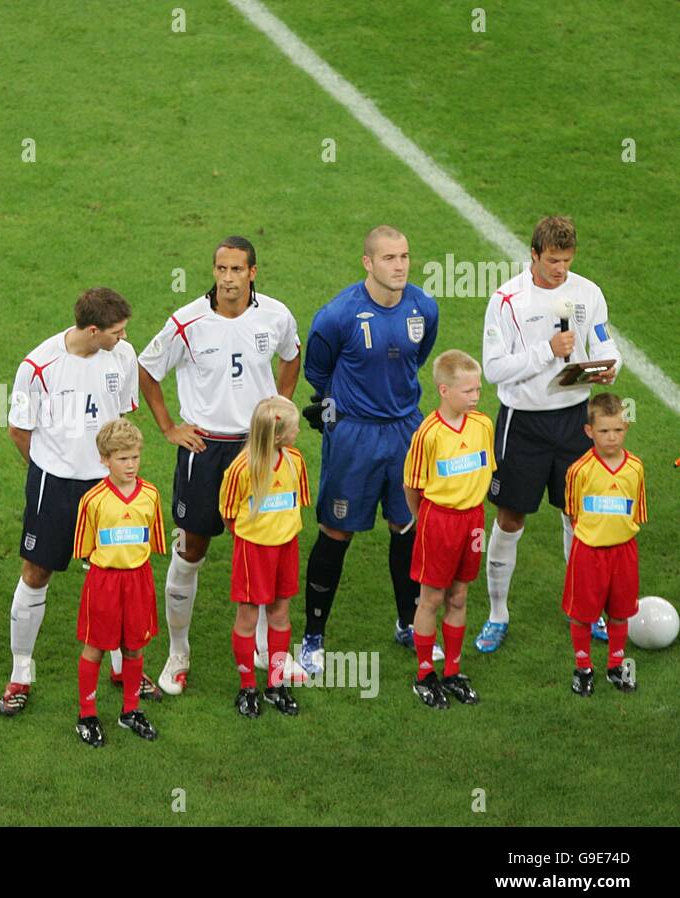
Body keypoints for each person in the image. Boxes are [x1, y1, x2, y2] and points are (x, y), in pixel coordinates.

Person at [138, 236, 304, 696]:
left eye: (236, 270)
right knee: (192, 549)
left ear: (253, 273)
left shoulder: (276, 314)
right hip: (205, 450)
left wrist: (279, 406)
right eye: (220, 269)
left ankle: (271, 653)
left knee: (266, 548)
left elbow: (292, 355)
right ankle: (177, 652)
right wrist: (169, 426)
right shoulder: (187, 322)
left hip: (258, 450)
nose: (227, 278)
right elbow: (147, 369)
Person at [299, 225, 441, 677]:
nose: (399, 266)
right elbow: (317, 374)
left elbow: (415, 358)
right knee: (336, 531)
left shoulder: (423, 306)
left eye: (404, 256)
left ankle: (407, 622)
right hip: (354, 436)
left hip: (404, 431)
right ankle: (313, 637)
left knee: (406, 526)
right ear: (368, 263)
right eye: (389, 258)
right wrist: (345, 412)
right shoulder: (337, 316)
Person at [479, 216, 623, 653]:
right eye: (553, 261)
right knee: (510, 519)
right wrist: (546, 352)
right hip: (522, 422)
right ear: (534, 255)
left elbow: (603, 342)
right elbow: (493, 369)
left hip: (572, 420)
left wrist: (608, 366)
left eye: (567, 260)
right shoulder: (507, 300)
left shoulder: (587, 292)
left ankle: (584, 608)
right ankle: (497, 613)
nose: (560, 269)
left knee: (575, 516)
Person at [0, 287, 139, 716]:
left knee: (116, 573)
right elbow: (19, 431)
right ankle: (21, 672)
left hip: (109, 488)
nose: (124, 337)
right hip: (54, 486)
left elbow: (123, 420)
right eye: (116, 331)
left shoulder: (122, 356)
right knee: (37, 572)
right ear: (92, 330)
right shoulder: (38, 365)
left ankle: (120, 662)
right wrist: (49, 468)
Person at [402, 351, 495, 709]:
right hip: (438, 521)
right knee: (432, 598)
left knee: (459, 595)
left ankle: (453, 672)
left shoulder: (483, 425)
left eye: (478, 389)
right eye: (469, 391)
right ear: (444, 390)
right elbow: (411, 485)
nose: (476, 397)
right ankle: (425, 674)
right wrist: (423, 521)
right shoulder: (428, 434)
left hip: (473, 521)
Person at [72, 418, 165, 746]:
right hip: (105, 581)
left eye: (135, 457)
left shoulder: (151, 495)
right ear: (105, 459)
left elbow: (153, 541)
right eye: (122, 458)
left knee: (134, 645)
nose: (130, 464)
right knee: (95, 646)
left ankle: (131, 710)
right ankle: (87, 714)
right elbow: (84, 549)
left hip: (139, 580)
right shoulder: (93, 500)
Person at [219, 397, 310, 718]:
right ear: (277, 435)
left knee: (280, 613)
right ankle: (247, 687)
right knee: (247, 616)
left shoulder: (295, 460)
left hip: (287, 546)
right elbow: (228, 514)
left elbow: (298, 501)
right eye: (294, 426)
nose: (299, 429)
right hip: (253, 551)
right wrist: (253, 537)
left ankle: (274, 684)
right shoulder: (241, 470)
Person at [562, 394, 646, 697]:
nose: (612, 438)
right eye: (604, 431)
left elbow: (637, 511)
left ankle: (615, 665)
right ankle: (583, 668)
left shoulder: (635, 468)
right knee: (582, 615)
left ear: (626, 427)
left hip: (624, 552)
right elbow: (572, 514)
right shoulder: (579, 471)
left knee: (621, 612)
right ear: (589, 432)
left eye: (618, 430)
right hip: (588, 553)